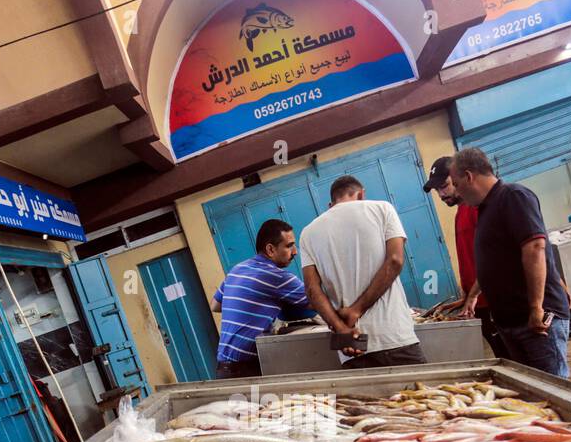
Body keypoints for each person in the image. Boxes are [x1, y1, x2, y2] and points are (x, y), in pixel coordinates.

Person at [449, 147, 571, 378]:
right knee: (533, 393)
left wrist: (536, 307)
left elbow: (535, 248)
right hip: (511, 322)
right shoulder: (486, 209)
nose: (456, 192)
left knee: (553, 390)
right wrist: (473, 295)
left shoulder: (513, 196)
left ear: (469, 176)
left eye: (456, 183)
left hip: (535, 321)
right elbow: (495, 262)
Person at [298, 174, 425, 369]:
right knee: (418, 397)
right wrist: (356, 310)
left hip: (352, 347)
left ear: (331, 204)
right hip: (394, 337)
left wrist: (341, 329)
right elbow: (395, 260)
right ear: (361, 194)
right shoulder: (382, 209)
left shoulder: (308, 233)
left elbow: (312, 291)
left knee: (366, 400)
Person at [212, 218, 316, 379]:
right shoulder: (276, 276)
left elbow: (216, 305)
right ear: (270, 249)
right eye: (289, 246)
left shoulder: (238, 269)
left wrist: (260, 305)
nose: (295, 252)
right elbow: (318, 303)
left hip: (223, 367)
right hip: (245, 370)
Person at [423, 154, 501, 357]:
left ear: (459, 177)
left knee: (516, 360)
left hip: (494, 301)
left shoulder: (478, 209)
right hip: (478, 304)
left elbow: (493, 259)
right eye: (437, 190)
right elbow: (473, 258)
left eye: (445, 185)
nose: (441, 194)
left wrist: (474, 295)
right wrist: (466, 296)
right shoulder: (461, 212)